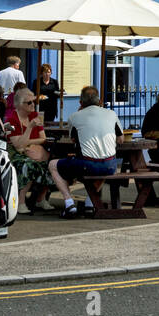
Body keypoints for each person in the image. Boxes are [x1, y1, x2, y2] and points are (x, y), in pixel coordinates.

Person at [49, 85, 121, 218]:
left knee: (53, 165)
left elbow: (73, 140)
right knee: (105, 164)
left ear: (80, 102)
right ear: (100, 101)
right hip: (110, 166)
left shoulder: (75, 117)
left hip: (87, 165)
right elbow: (121, 139)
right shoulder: (112, 114)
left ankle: (69, 203)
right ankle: (89, 203)